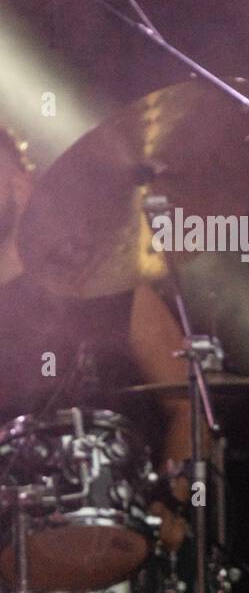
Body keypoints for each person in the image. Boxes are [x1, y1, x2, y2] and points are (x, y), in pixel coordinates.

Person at [0, 126, 191, 553]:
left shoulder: (107, 287)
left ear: (21, 183)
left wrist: (174, 503)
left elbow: (188, 404)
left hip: (115, 560)